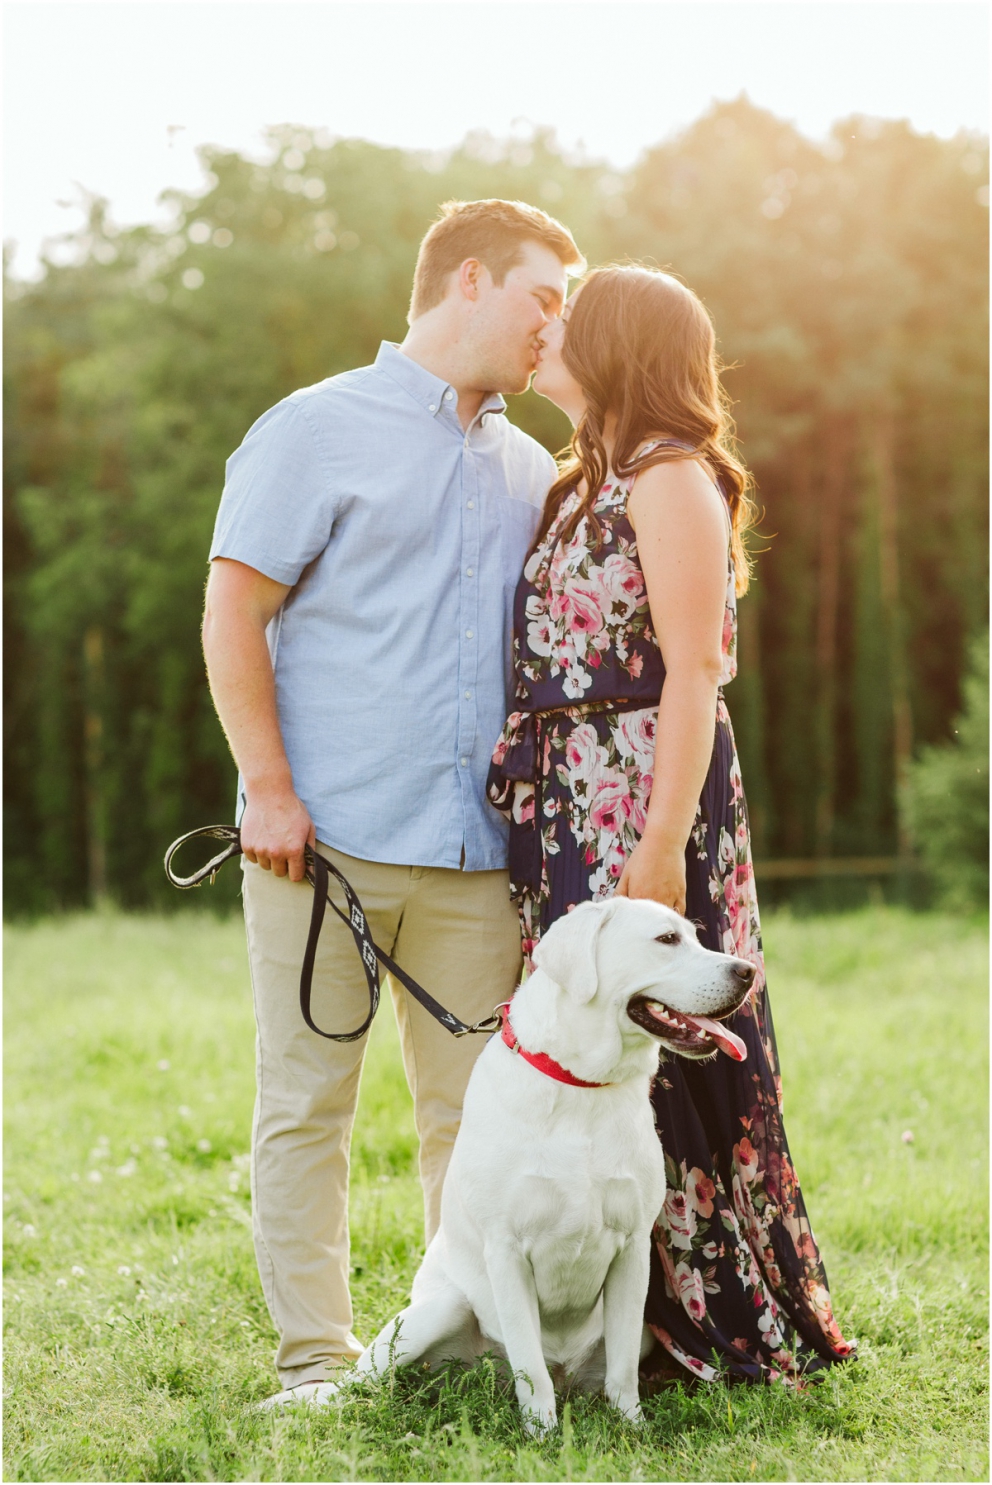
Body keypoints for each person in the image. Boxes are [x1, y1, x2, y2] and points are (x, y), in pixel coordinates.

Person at [202, 198, 585, 1406]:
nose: (553, 329)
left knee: (472, 1121)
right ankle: (315, 1360)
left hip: (478, 861)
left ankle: (448, 1346)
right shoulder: (313, 429)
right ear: (467, 281)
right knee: (308, 1105)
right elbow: (233, 612)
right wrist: (267, 789)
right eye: (542, 298)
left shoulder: (528, 466)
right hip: (324, 847)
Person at [488, 264, 855, 1385]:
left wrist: (657, 845)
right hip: (566, 797)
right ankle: (607, 1317)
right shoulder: (577, 482)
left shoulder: (669, 477)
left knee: (669, 1033)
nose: (545, 331)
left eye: (569, 320)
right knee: (589, 1034)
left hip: (645, 791)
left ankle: (702, 1312)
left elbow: (694, 668)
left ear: (617, 349)